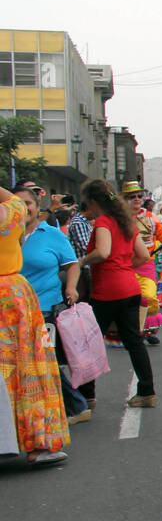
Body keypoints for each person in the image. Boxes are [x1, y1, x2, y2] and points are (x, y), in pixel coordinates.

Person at [1, 184, 71, 465]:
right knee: (30, 368)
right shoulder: (12, 212)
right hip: (16, 297)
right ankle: (37, 442)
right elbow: (13, 199)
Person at [77, 179, 158, 410]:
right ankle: (146, 392)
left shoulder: (103, 222)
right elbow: (143, 255)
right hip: (130, 287)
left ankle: (87, 395)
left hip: (107, 291)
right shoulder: (125, 222)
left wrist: (83, 260)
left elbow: (102, 252)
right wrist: (124, 267)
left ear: (93, 201)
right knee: (134, 342)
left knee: (91, 343)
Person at [19, 187, 90, 423]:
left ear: (37, 206)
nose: (23, 207)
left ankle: (75, 406)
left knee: (43, 360)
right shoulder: (6, 235)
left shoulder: (51, 234)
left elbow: (72, 264)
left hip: (45, 308)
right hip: (11, 310)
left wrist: (71, 287)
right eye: (17, 203)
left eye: (27, 203)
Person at [119, 181, 162, 347]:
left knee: (148, 296)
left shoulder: (151, 218)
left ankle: (148, 330)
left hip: (146, 264)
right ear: (125, 199)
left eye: (139, 195)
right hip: (125, 265)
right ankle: (131, 333)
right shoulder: (119, 219)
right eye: (132, 196)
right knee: (128, 301)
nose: (137, 199)